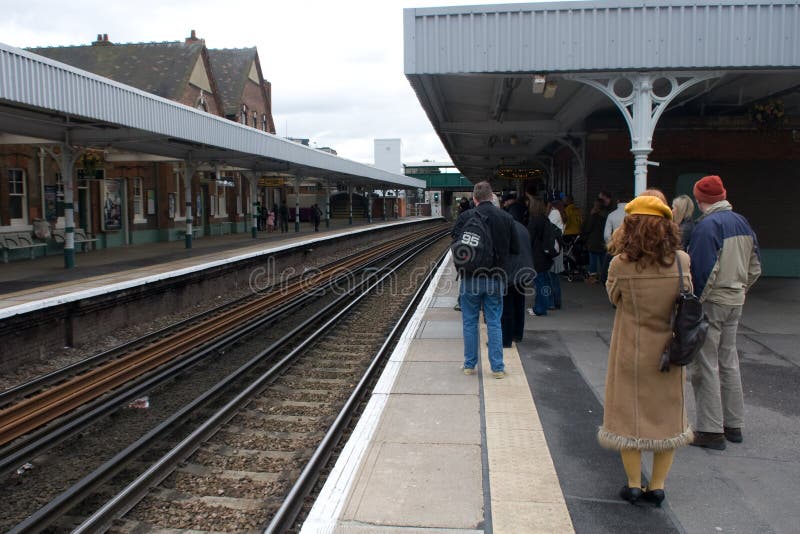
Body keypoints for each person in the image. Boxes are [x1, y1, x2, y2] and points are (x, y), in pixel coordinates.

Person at [598, 195, 693, 507]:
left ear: (630, 227)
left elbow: (613, 298)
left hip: (631, 350)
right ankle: (659, 486)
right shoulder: (682, 261)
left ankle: (634, 484)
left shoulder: (620, 265)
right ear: (667, 226)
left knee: (629, 418)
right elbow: (688, 296)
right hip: (669, 352)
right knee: (667, 420)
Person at [687, 175, 761, 449]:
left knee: (705, 364)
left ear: (699, 199)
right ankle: (733, 424)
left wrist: (695, 303)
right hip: (735, 299)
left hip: (713, 301)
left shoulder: (707, 226)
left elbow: (704, 271)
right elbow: (755, 267)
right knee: (729, 361)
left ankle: (710, 429)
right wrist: (739, 290)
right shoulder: (742, 222)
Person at [452, 181, 519, 379]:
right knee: (494, 322)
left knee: (469, 322)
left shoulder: (465, 217)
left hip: (470, 277)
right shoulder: (506, 218)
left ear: (474, 198)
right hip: (495, 278)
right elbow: (515, 249)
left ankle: (469, 365)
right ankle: (497, 368)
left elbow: (456, 243)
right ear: (492, 197)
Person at [501, 219, 533, 347]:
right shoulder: (522, 226)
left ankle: (506, 339)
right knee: (519, 302)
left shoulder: (504, 228)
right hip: (524, 268)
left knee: (506, 305)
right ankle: (517, 334)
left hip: (510, 270)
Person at [526, 195, 553, 317]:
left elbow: (529, 239)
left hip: (537, 257)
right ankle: (545, 304)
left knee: (539, 283)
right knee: (545, 282)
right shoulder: (545, 220)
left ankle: (540, 308)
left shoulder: (534, 221)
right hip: (546, 256)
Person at [581, 199, 607, 284]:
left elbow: (587, 228)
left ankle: (593, 277)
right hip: (603, 241)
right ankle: (605, 276)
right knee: (603, 259)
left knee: (593, 260)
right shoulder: (605, 217)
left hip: (593, 242)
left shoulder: (593, 217)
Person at [547, 192, 565, 310]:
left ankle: (553, 302)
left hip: (553, 248)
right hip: (558, 247)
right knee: (554, 276)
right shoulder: (561, 212)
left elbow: (548, 230)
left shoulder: (554, 213)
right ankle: (556, 301)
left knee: (551, 277)